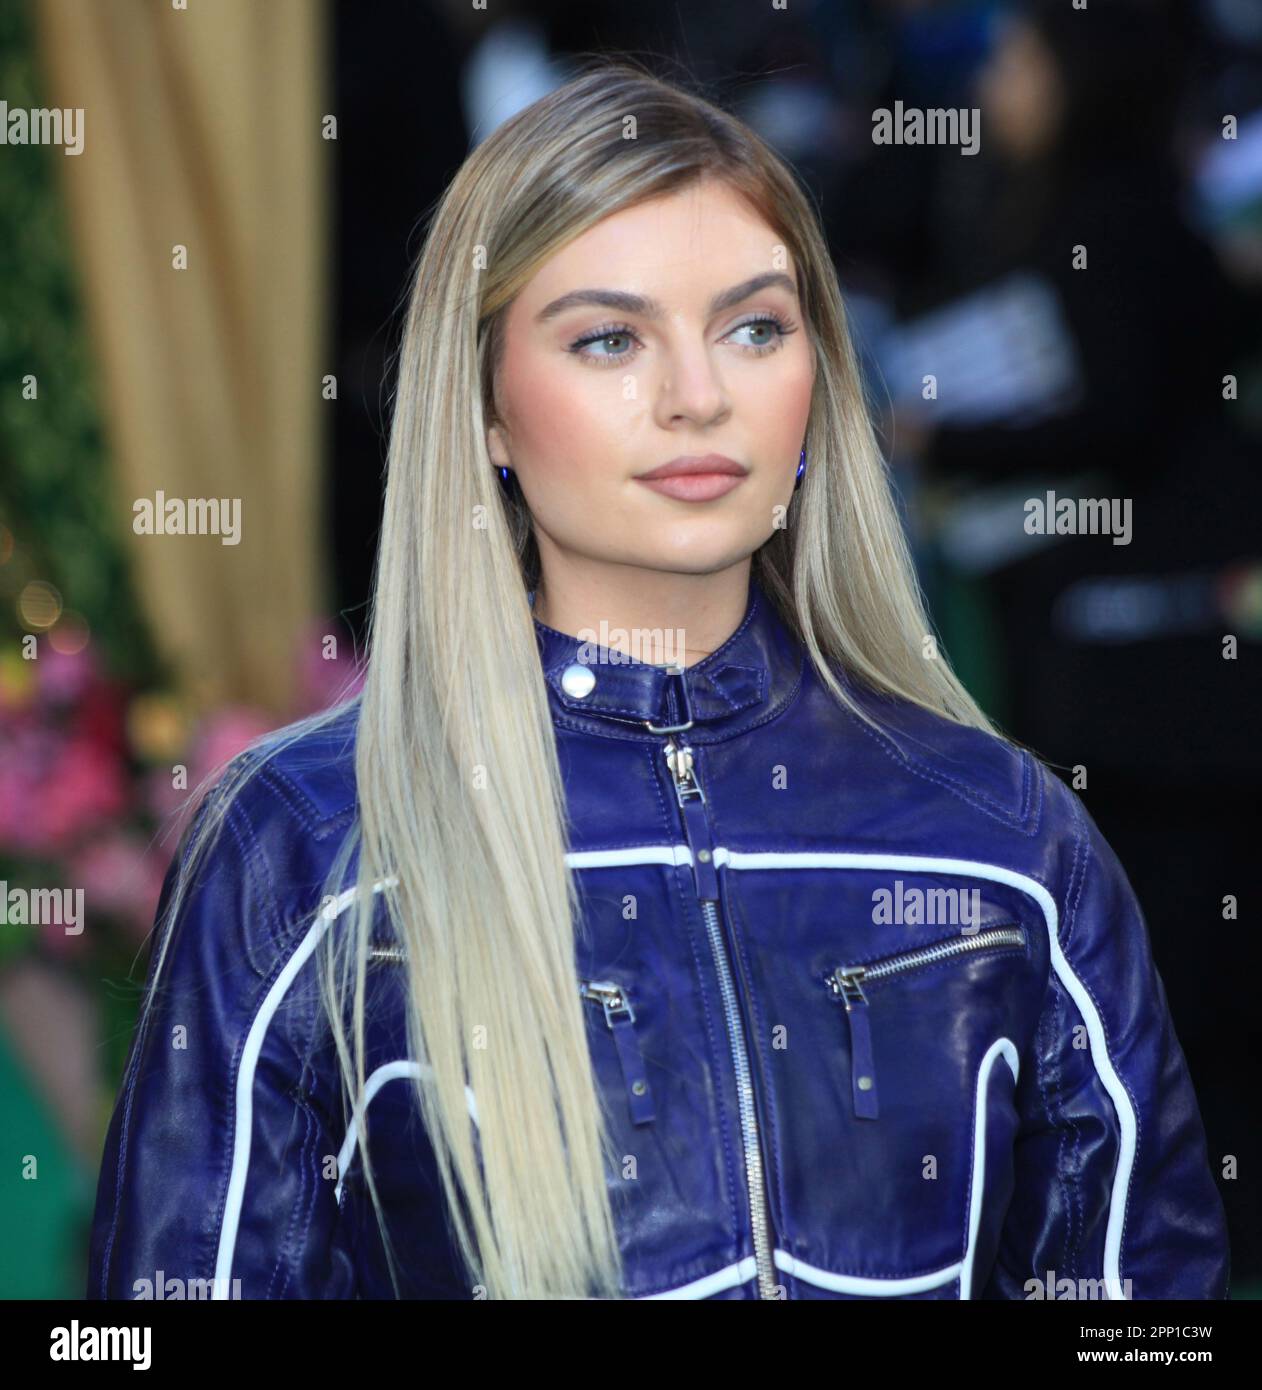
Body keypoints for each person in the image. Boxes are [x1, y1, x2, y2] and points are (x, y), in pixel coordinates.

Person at [85, 58, 1229, 1302]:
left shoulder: (1004, 837)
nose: (697, 397)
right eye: (609, 338)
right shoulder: (304, 846)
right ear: (484, 408)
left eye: (753, 328)